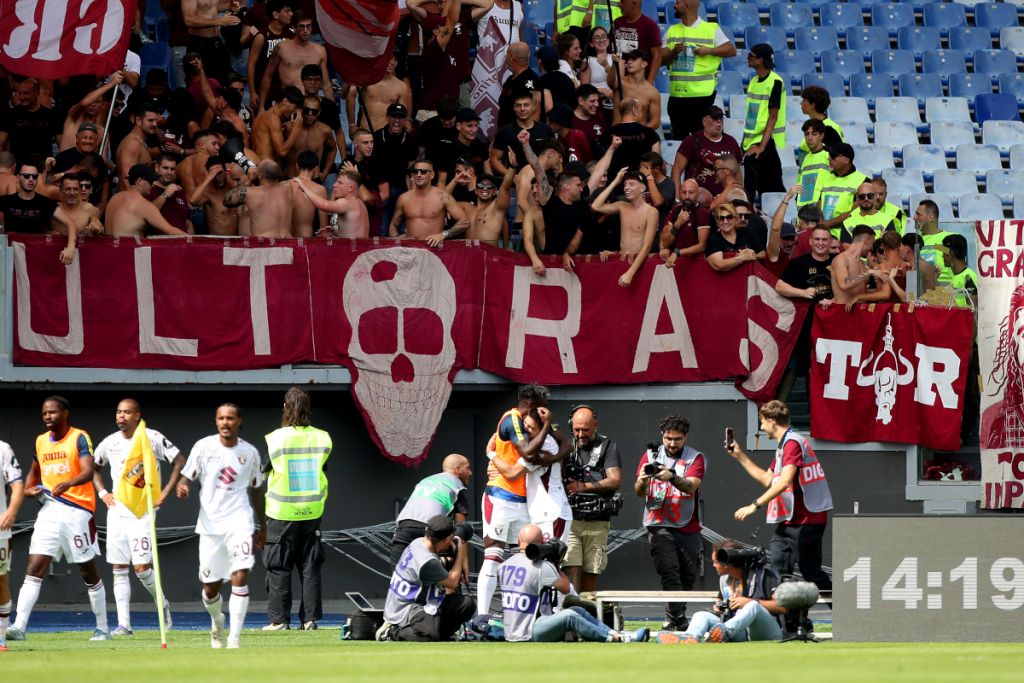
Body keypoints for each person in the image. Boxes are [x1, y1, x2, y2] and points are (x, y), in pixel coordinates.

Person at [6, 397, 110, 642]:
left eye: (52, 412)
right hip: (49, 511)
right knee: (34, 568)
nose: (47, 417)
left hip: (77, 511)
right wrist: (30, 490)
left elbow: (88, 471)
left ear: (65, 413)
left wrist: (69, 483)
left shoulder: (79, 437)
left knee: (87, 571)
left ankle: (103, 628)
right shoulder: (41, 441)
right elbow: (32, 477)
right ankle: (19, 627)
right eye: (44, 413)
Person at [728, 400, 833, 634]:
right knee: (777, 570)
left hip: (808, 520)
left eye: (762, 422)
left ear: (772, 421)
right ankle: (794, 624)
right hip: (789, 522)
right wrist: (740, 456)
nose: (762, 427)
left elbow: (784, 481)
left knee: (811, 574)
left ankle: (846, 614)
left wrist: (754, 505)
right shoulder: (784, 445)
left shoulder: (793, 443)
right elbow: (769, 480)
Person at [176, 403, 266, 650]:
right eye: (221, 418)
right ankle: (217, 622)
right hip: (210, 526)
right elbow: (187, 476)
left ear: (239, 421)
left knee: (240, 574)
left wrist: (263, 526)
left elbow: (257, 490)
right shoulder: (203, 447)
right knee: (210, 587)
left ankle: (235, 639)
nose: (225, 422)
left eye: (230, 418)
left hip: (240, 522)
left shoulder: (250, 453)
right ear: (216, 421)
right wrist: (182, 486)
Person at [92, 399, 185, 636]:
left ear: (137, 415)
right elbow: (92, 467)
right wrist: (103, 493)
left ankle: (161, 604)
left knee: (142, 568)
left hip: (142, 511)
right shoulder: (109, 442)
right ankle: (124, 625)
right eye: (119, 412)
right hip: (117, 511)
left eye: (127, 412)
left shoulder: (151, 437)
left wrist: (164, 493)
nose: (121, 416)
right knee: (118, 567)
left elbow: (179, 460)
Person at [476, 384, 553, 618]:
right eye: (542, 407)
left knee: (523, 556)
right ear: (531, 404)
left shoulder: (529, 428)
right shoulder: (512, 420)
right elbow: (527, 454)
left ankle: (518, 614)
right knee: (493, 553)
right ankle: (482, 615)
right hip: (500, 497)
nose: (544, 412)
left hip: (522, 500)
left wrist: (492, 454)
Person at [501, 523, 650, 643]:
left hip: (511, 630)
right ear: (541, 543)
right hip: (530, 632)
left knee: (578, 611)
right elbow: (566, 588)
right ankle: (617, 639)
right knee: (570, 615)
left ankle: (614, 632)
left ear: (519, 541)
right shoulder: (542, 567)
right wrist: (555, 562)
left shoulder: (504, 566)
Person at [262, 387, 332, 631]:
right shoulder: (323, 437)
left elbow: (265, 470)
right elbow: (323, 468)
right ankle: (310, 620)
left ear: (285, 408)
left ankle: (279, 620)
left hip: (282, 513)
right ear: (308, 409)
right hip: (312, 512)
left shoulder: (276, 438)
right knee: (310, 566)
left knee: (279, 566)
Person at [633, 414, 706, 632]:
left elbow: (691, 487)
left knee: (687, 576)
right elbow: (638, 492)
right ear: (662, 436)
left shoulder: (696, 458)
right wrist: (644, 481)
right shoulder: (649, 455)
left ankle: (673, 617)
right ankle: (680, 620)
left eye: (677, 439)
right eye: (668, 439)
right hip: (658, 524)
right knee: (669, 569)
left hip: (687, 525)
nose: (672, 444)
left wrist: (671, 476)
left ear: (685, 438)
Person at [657, 539, 785, 644]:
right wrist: (719, 608)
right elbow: (722, 604)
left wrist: (749, 602)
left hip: (767, 631)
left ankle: (724, 632)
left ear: (726, 563)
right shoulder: (724, 580)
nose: (713, 565)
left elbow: (783, 607)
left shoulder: (765, 575)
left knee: (752, 605)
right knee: (700, 615)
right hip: (740, 632)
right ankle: (690, 638)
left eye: (715, 562)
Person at [379, 515, 475, 642]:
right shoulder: (427, 561)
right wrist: (461, 547)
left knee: (466, 604)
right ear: (446, 539)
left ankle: (441, 635)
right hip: (406, 608)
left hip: (420, 601)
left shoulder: (418, 542)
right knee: (428, 634)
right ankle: (391, 632)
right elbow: (452, 582)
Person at [561, 405, 621, 593]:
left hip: (598, 521)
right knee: (571, 567)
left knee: (591, 573)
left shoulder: (608, 447)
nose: (580, 434)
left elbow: (615, 480)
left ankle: (585, 614)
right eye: (576, 429)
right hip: (570, 519)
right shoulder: (564, 446)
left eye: (585, 429)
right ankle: (570, 612)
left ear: (595, 425)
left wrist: (584, 487)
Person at [663, 0, 736, 140]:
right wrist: (673, 52)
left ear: (687, 5)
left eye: (677, 2)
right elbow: (660, 58)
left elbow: (731, 50)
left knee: (702, 139)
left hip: (702, 97)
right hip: (678, 96)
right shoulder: (672, 30)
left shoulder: (711, 28)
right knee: (680, 139)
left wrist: (708, 50)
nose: (674, 5)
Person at [391, 454, 472, 566]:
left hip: (404, 529)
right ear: (457, 469)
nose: (470, 472)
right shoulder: (457, 487)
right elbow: (461, 531)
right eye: (467, 468)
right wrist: (464, 563)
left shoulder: (426, 481)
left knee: (399, 577)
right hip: (430, 532)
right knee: (443, 572)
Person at [590, 167, 659, 287]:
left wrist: (631, 272)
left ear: (642, 188)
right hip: (622, 263)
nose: (626, 188)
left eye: (631, 184)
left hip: (639, 266)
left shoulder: (651, 212)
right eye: (625, 184)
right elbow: (596, 206)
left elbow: (647, 246)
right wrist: (614, 182)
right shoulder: (622, 206)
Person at [469, 0, 525, 138]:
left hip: (511, 70)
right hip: (487, 69)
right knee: (486, 108)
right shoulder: (483, 3)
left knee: (508, 111)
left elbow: (521, 38)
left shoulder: (518, 6)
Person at [259, 11, 334, 106]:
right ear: (294, 27)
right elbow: (267, 77)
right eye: (302, 27)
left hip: (311, 103)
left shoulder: (320, 51)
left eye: (308, 26)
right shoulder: (281, 48)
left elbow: (326, 84)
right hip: (288, 101)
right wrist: (261, 107)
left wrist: (332, 111)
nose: (305, 30)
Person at [741, 44, 786, 202]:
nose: (748, 57)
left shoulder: (775, 82)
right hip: (753, 140)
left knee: (765, 186)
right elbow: (752, 116)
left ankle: (749, 210)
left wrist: (761, 146)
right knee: (770, 185)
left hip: (766, 141)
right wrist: (744, 143)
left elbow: (773, 117)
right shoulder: (753, 81)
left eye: (751, 56)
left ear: (760, 60)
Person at [387, 158, 469, 244]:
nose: (419, 175)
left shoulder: (443, 197)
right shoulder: (404, 198)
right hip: (410, 251)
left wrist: (444, 234)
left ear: (432, 175)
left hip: (433, 251)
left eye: (423, 172)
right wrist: (397, 240)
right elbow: (393, 226)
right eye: (416, 171)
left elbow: (465, 222)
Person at [671, 105, 741, 198]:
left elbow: (737, 172)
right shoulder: (692, 141)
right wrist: (677, 198)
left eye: (720, 118)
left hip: (725, 200)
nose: (719, 121)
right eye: (714, 118)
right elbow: (676, 170)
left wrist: (739, 196)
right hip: (697, 200)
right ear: (704, 121)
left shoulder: (731, 142)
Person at [105, 165, 189, 236]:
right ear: (139, 181)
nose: (152, 185)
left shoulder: (114, 198)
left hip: (108, 252)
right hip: (126, 252)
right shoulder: (142, 204)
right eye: (150, 181)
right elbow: (171, 231)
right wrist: (195, 240)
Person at [346, 54, 412, 137]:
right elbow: (350, 96)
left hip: (387, 134)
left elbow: (402, 113)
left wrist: (406, 122)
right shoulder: (367, 79)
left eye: (395, 60)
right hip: (366, 130)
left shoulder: (402, 86)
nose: (392, 63)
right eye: (389, 58)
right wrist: (351, 124)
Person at [224, 160, 294, 238]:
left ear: (260, 175)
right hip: (287, 244)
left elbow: (227, 200)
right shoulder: (288, 188)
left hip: (264, 245)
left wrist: (248, 182)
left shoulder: (251, 193)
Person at [246, 0, 294, 112]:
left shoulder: (291, 34)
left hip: (283, 87)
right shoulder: (261, 36)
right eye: (287, 11)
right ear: (276, 14)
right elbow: (251, 64)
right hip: (263, 88)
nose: (291, 14)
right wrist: (252, 92)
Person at [0, 439, 25, 651]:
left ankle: (0, 635)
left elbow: (17, 484)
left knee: (0, 581)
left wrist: (11, 512)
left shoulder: (3, 449)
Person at [831, 225, 892, 308]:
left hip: (861, 313)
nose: (871, 249)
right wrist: (868, 273)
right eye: (872, 243)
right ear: (867, 239)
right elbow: (844, 284)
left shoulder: (862, 264)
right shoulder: (841, 259)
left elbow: (861, 292)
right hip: (844, 313)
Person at [295, 171, 370, 238]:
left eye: (340, 182)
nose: (334, 185)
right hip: (361, 251)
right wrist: (335, 232)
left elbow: (323, 205)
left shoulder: (345, 202)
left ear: (350, 188)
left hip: (352, 251)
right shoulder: (361, 204)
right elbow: (353, 232)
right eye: (336, 181)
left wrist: (304, 188)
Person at [818, 143, 868, 237]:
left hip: (846, 237)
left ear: (846, 160)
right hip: (824, 236)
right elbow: (819, 204)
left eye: (833, 156)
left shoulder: (863, 181)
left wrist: (826, 225)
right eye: (829, 155)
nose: (829, 158)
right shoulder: (826, 178)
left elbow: (855, 212)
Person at [182, 0, 238, 85]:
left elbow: (209, 7)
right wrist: (219, 22)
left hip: (216, 42)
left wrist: (229, 6)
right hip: (199, 44)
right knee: (199, 84)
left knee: (227, 80)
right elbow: (189, 20)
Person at [660, 178, 712, 266]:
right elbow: (665, 242)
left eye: (691, 192)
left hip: (695, 263)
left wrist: (677, 252)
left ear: (698, 193)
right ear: (680, 193)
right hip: (676, 263)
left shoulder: (702, 213)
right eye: (684, 192)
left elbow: (702, 246)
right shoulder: (676, 210)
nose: (687, 196)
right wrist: (677, 225)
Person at [606, 96, 661, 178]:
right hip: (641, 183)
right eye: (641, 110)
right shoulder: (650, 134)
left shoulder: (608, 133)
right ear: (634, 111)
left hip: (613, 182)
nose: (642, 114)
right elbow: (656, 161)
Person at [0, 160, 58, 237]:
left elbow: (70, 223)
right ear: (18, 178)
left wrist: (70, 245)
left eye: (34, 176)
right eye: (26, 176)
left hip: (37, 247)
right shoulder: (6, 201)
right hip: (12, 247)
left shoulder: (45, 202)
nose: (31, 179)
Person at [284, 96, 337, 179]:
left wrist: (325, 172)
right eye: (306, 110)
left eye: (314, 111)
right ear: (301, 109)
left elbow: (333, 149)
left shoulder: (325, 130)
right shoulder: (288, 127)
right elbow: (277, 149)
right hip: (291, 177)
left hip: (314, 179)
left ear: (319, 112)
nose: (310, 114)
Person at [705, 202, 764, 272]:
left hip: (748, 276)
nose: (725, 222)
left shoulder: (747, 232)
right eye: (721, 218)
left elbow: (762, 254)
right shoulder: (713, 240)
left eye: (729, 217)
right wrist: (741, 258)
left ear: (735, 219)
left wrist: (751, 255)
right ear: (717, 222)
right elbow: (719, 265)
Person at [252, 86, 304, 165]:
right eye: (295, 107)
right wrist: (296, 128)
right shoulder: (273, 119)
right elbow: (282, 152)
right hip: (266, 169)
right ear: (285, 101)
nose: (295, 112)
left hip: (259, 165)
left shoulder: (262, 116)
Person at [496, 42, 542, 130]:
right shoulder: (510, 79)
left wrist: (527, 134)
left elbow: (536, 111)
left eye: (507, 55)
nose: (505, 58)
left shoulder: (531, 80)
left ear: (512, 57)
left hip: (520, 135)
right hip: (505, 132)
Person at [609, 50, 660, 131]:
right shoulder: (620, 83)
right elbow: (610, 82)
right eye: (628, 59)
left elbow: (655, 121)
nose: (629, 62)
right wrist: (614, 64)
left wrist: (641, 132)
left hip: (639, 139)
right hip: (617, 136)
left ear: (644, 64)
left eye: (634, 59)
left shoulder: (652, 92)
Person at [116, 102, 162, 189]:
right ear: (138, 121)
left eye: (156, 120)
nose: (155, 124)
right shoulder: (133, 143)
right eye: (150, 120)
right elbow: (126, 178)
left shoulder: (140, 142)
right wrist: (136, 201)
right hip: (129, 200)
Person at [613, 0, 662, 81]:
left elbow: (657, 56)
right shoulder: (617, 23)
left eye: (623, 2)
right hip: (617, 81)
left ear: (634, 3)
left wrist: (649, 83)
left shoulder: (650, 26)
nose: (619, 5)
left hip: (638, 83)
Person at [189, 158, 240, 235]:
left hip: (235, 241)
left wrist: (228, 173)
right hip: (217, 242)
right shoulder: (209, 194)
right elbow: (192, 201)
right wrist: (208, 178)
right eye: (214, 175)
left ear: (225, 172)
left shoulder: (234, 189)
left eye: (220, 173)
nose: (217, 178)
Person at [466, 169, 515, 246]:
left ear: (495, 191)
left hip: (488, 255)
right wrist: (455, 180)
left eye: (489, 186)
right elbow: (445, 202)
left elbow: (505, 187)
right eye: (481, 185)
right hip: (468, 254)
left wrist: (512, 167)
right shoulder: (467, 209)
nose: (485, 188)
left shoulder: (499, 215)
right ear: (476, 190)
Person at [797, 85, 844, 164]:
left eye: (804, 100)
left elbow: (838, 157)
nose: (801, 103)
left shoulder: (831, 127)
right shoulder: (809, 126)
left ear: (813, 105)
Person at [148, 154, 193, 234]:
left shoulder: (178, 191)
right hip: (160, 244)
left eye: (172, 169)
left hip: (182, 244)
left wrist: (192, 243)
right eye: (165, 168)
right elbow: (147, 214)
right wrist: (165, 195)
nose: (169, 172)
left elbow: (188, 224)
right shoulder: (149, 190)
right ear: (157, 168)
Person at [913, 199, 955, 286]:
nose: (914, 217)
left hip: (947, 293)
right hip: (923, 293)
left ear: (930, 217)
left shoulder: (949, 238)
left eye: (918, 214)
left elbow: (956, 261)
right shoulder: (915, 241)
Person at [795, 119, 829, 209]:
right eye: (807, 134)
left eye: (814, 134)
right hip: (804, 212)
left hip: (821, 211)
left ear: (821, 136)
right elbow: (800, 184)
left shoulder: (829, 155)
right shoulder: (806, 158)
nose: (809, 138)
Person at [942, 234, 978, 309]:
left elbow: (974, 309)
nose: (942, 256)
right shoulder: (958, 276)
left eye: (944, 253)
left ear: (951, 254)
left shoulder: (968, 277)